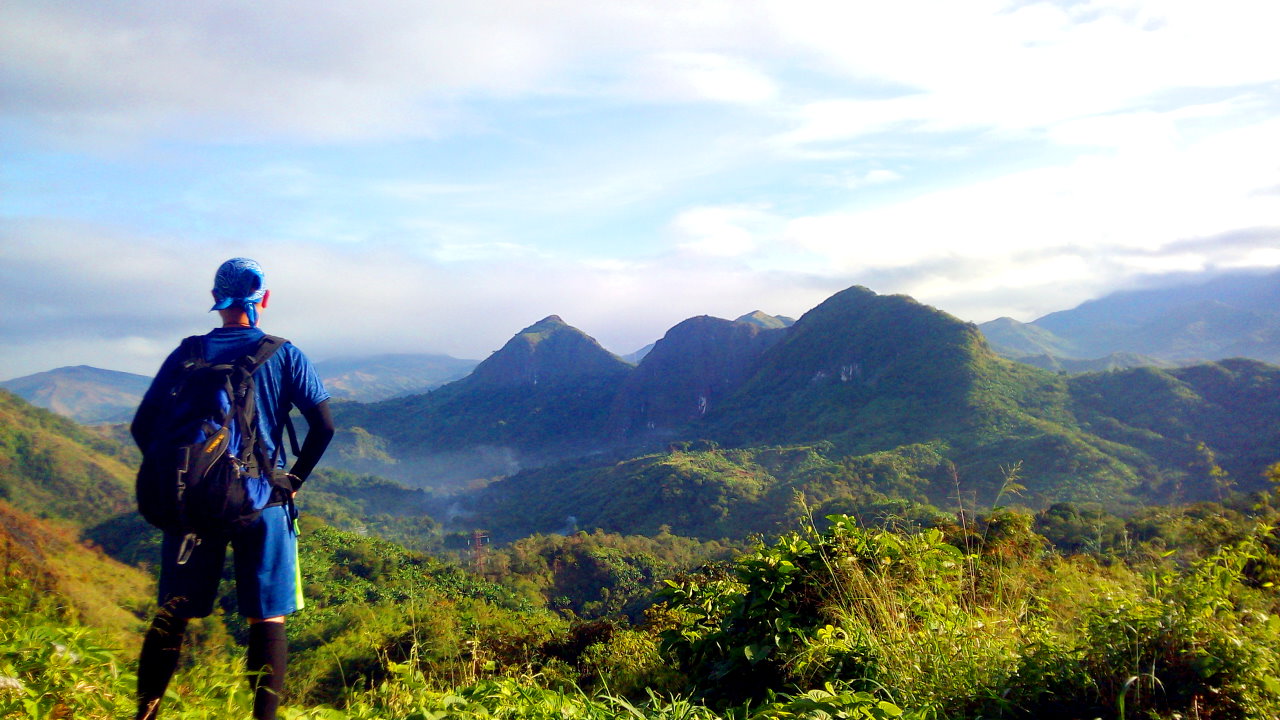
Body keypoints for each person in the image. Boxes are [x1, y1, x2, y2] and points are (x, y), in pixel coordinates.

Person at [130, 257, 335, 720]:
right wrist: (293, 481)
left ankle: (146, 713)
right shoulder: (283, 353)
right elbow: (323, 426)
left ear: (216, 301)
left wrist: (183, 478)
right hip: (263, 500)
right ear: (263, 299)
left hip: (194, 503)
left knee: (174, 612)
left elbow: (144, 425)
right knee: (267, 617)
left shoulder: (188, 352)